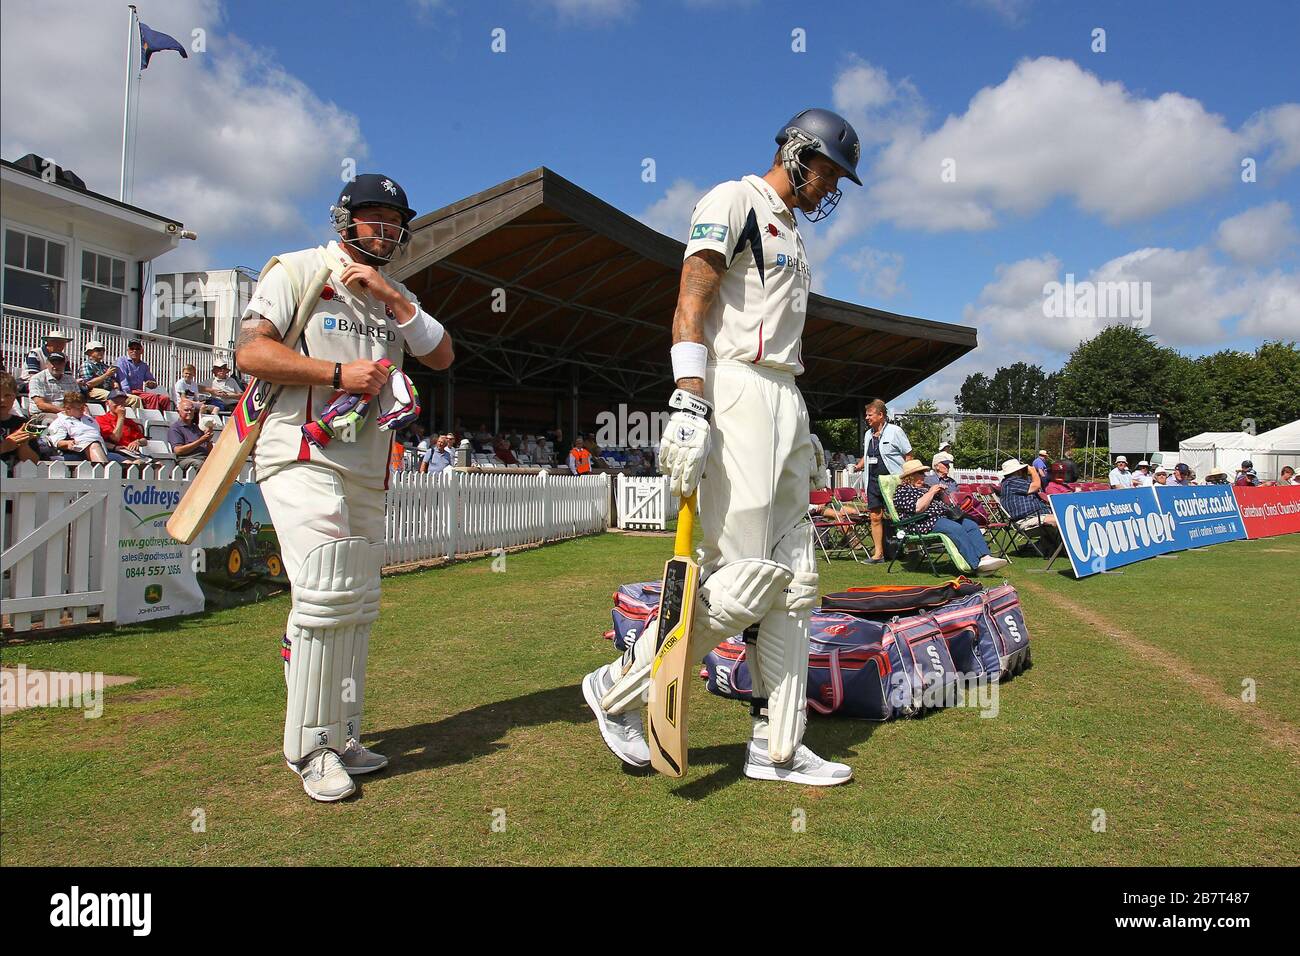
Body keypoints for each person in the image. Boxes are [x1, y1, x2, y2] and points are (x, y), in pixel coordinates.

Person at [583, 108, 863, 786]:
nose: (830, 189)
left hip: (784, 399)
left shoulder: (792, 232)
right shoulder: (734, 199)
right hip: (736, 389)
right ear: (797, 153)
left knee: (796, 587)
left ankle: (778, 747)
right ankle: (617, 685)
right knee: (742, 583)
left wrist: (800, 426)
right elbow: (692, 301)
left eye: (837, 180)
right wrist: (688, 398)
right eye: (827, 172)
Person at [236, 172, 453, 803]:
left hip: (366, 466)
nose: (384, 228)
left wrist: (394, 298)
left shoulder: (394, 295)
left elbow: (441, 357)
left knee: (353, 603)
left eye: (394, 220)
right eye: (372, 217)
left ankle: (343, 732)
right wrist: (336, 372)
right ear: (345, 220)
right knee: (327, 593)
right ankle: (310, 749)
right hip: (301, 453)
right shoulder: (301, 270)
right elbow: (251, 353)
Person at [893, 460, 1006, 574]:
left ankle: (985, 557)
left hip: (942, 517)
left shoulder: (926, 487)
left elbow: (946, 504)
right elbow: (918, 509)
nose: (924, 476)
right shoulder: (902, 491)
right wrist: (931, 492)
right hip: (922, 521)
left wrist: (941, 494)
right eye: (921, 473)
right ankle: (976, 565)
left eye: (924, 473)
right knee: (955, 528)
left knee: (970, 524)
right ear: (910, 477)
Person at [855, 398, 914, 563]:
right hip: (873, 481)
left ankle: (913, 550)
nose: (867, 418)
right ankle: (878, 554)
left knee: (901, 515)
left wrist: (907, 476)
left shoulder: (895, 431)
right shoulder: (868, 435)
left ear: (881, 415)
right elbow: (868, 454)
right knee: (875, 516)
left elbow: (908, 454)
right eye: (866, 415)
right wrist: (859, 465)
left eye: (870, 415)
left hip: (893, 481)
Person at [44, 392, 109, 463]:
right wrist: (67, 443)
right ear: (68, 408)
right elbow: (57, 442)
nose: (83, 410)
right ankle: (103, 471)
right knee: (94, 445)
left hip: (102, 450)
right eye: (80, 408)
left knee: (122, 459)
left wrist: (115, 447)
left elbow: (98, 437)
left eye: (83, 407)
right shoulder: (59, 422)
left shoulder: (89, 419)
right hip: (78, 452)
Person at [999, 458, 1058, 531]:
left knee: (1064, 520)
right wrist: (1033, 471)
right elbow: (1036, 486)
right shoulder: (1011, 482)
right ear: (1018, 471)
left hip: (1037, 516)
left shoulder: (1018, 481)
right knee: (1061, 521)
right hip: (1026, 520)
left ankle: (1046, 542)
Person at [115, 341, 172, 411]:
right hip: (127, 391)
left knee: (165, 399)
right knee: (152, 397)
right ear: (128, 350)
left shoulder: (144, 366)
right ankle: (152, 419)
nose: (134, 351)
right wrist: (127, 394)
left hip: (139, 392)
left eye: (137, 349)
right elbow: (123, 379)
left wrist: (151, 383)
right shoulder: (122, 360)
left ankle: (164, 421)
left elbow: (152, 382)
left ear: (142, 351)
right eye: (132, 348)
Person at [79, 340, 139, 406]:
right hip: (93, 391)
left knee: (135, 399)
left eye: (103, 350)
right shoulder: (86, 365)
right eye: (98, 350)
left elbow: (113, 380)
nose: (101, 352)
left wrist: (115, 384)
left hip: (108, 391)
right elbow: (88, 384)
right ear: (89, 352)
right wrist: (106, 375)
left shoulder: (105, 366)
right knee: (115, 396)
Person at [0, 372, 40, 468]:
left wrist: (23, 445)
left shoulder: (23, 424)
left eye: (7, 395)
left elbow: (34, 462)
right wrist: (4, 447)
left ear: (14, 397)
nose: (2, 400)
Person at [26, 352, 84, 418]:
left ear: (64, 365)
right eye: (53, 363)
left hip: (69, 413)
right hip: (42, 414)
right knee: (66, 421)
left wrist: (86, 414)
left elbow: (80, 401)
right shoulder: (37, 378)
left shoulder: (71, 380)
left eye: (59, 363)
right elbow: (41, 405)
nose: (55, 366)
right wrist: (66, 412)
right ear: (47, 364)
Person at [167, 397, 215, 470]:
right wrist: (201, 441)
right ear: (178, 411)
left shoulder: (197, 428)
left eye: (191, 410)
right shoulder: (175, 428)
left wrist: (208, 440)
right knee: (200, 464)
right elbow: (178, 451)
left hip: (203, 458)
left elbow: (209, 450)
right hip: (186, 459)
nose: (189, 412)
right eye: (186, 410)